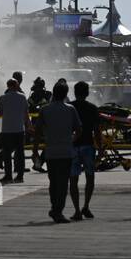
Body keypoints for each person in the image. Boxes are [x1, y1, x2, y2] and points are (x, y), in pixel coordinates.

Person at [33, 80, 81, 223]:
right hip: (66, 151)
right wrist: (70, 140)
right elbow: (79, 130)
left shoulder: (44, 110)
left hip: (51, 152)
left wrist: (35, 151)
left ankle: (55, 208)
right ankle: (57, 211)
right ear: (66, 94)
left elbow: (37, 132)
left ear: (53, 93)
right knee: (63, 183)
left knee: (53, 182)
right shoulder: (71, 109)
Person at [68, 81, 102, 220]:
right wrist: (100, 149)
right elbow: (97, 131)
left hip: (73, 146)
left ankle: (76, 210)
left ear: (75, 93)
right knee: (90, 178)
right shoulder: (93, 108)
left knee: (73, 180)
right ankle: (86, 206)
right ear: (87, 93)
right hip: (88, 146)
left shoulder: (70, 108)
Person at [0, 78, 31, 183]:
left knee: (7, 154)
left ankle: (8, 176)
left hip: (7, 130)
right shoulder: (23, 97)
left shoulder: (2, 98)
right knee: (20, 153)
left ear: (7, 86)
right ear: (17, 86)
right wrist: (29, 126)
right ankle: (20, 176)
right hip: (19, 130)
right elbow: (26, 114)